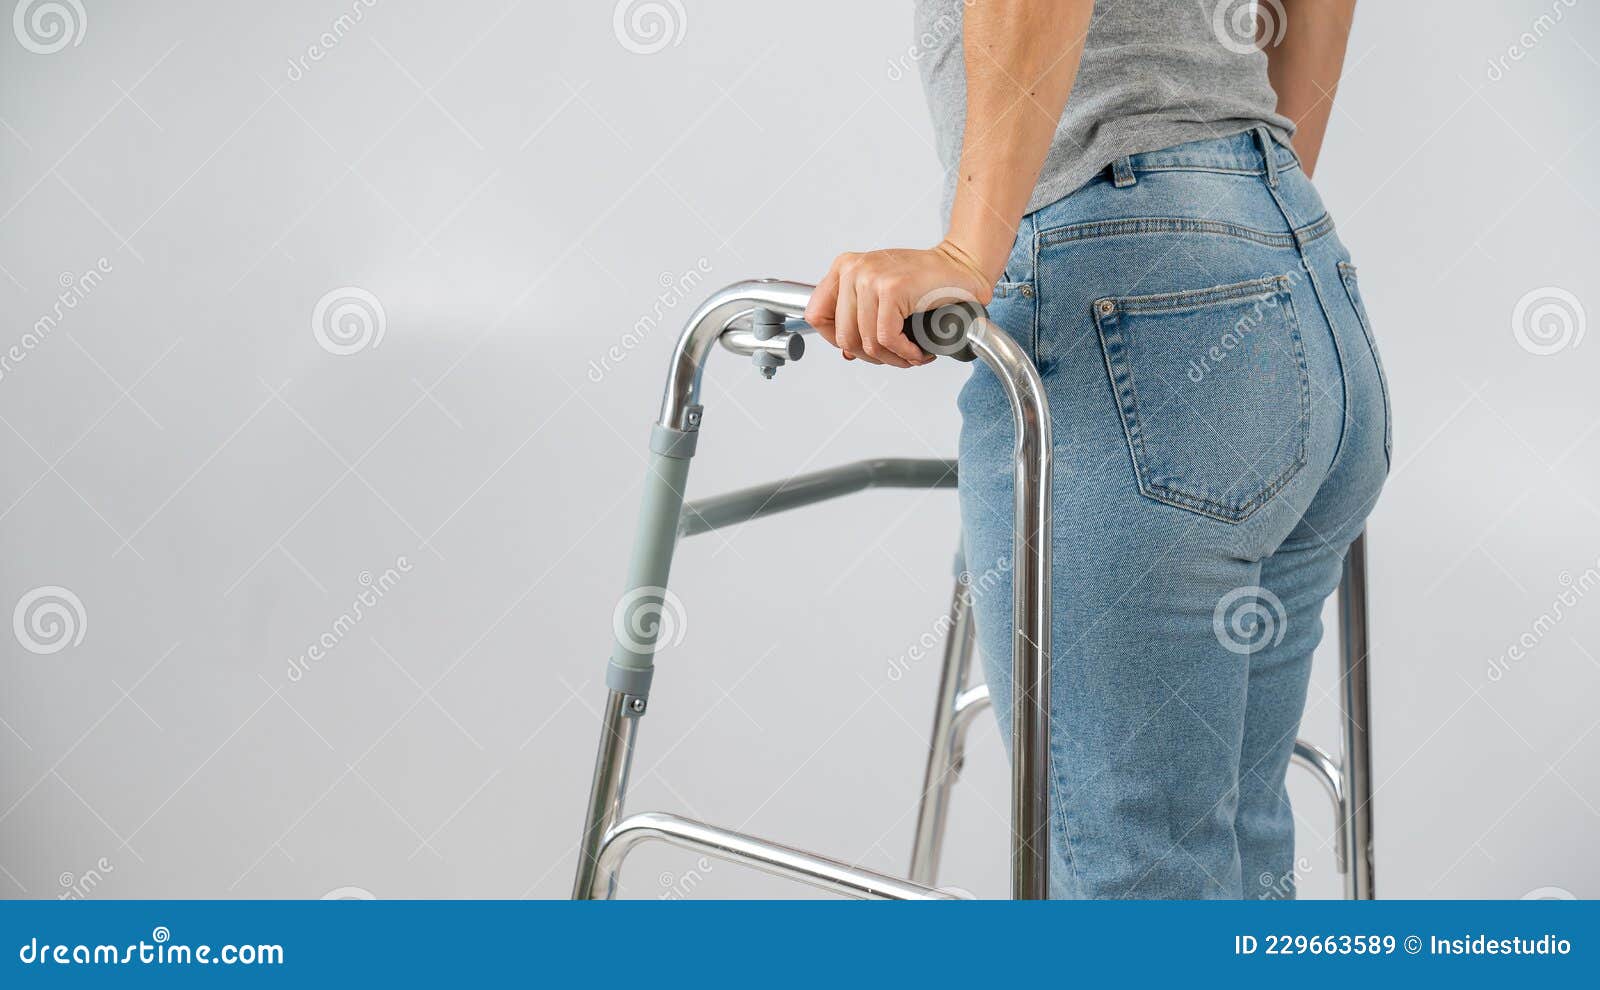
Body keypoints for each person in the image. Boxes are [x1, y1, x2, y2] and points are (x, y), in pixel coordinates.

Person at [805, 0, 1390, 898]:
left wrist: (968, 250)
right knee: (1230, 846)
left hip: (1128, 289)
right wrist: (1231, 226)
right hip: (1297, 269)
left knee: (1134, 879)